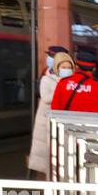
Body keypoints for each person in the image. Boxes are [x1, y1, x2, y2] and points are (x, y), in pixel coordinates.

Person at [29, 50, 75, 179]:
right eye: (63, 67)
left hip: (64, 121)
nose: (67, 70)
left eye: (69, 67)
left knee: (62, 154)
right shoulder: (46, 79)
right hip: (46, 122)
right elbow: (46, 98)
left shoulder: (72, 81)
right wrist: (63, 91)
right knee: (47, 155)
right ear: (56, 67)